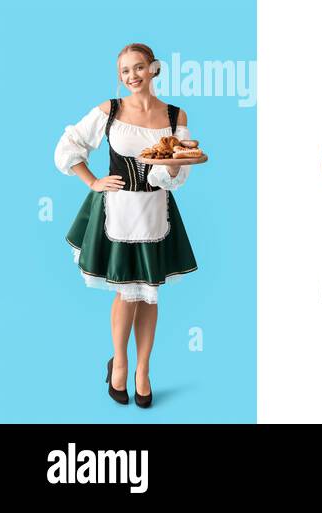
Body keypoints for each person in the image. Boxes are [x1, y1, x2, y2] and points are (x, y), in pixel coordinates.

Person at [55, 43, 200, 408]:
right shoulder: (111, 110)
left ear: (154, 69)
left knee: (150, 290)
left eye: (139, 68)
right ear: (119, 77)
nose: (132, 76)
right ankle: (119, 363)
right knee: (125, 291)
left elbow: (179, 169)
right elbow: (69, 144)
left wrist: (172, 165)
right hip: (116, 210)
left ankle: (144, 370)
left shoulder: (175, 116)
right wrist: (92, 181)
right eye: (125, 71)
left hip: (155, 209)